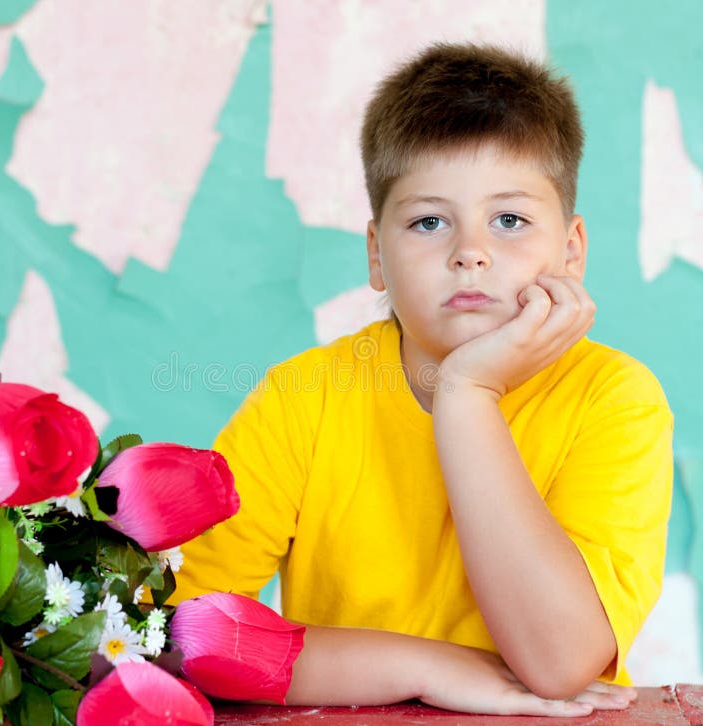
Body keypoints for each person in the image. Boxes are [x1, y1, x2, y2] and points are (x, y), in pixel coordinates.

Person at [170, 42, 673, 717]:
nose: (470, 253)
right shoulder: (305, 398)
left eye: (510, 220)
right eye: (429, 221)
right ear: (378, 254)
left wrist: (467, 396)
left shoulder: (616, 400)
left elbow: (559, 663)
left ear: (572, 250)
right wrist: (427, 668)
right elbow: (173, 636)